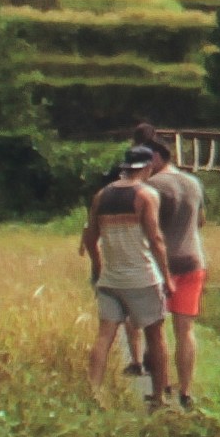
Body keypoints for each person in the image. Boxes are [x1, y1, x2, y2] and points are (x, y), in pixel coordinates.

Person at [80, 165, 172, 406]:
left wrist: (99, 268)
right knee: (156, 337)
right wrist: (167, 277)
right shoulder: (146, 195)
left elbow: (90, 236)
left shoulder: (101, 196)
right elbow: (156, 239)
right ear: (147, 168)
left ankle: (93, 393)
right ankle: (159, 398)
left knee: (104, 337)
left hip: (111, 279)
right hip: (142, 279)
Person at [132, 127, 208, 402]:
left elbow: (147, 229)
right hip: (193, 262)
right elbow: (201, 222)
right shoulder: (194, 183)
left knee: (157, 329)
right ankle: (186, 391)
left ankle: (161, 387)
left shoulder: (151, 188)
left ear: (154, 158)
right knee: (185, 330)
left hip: (161, 265)